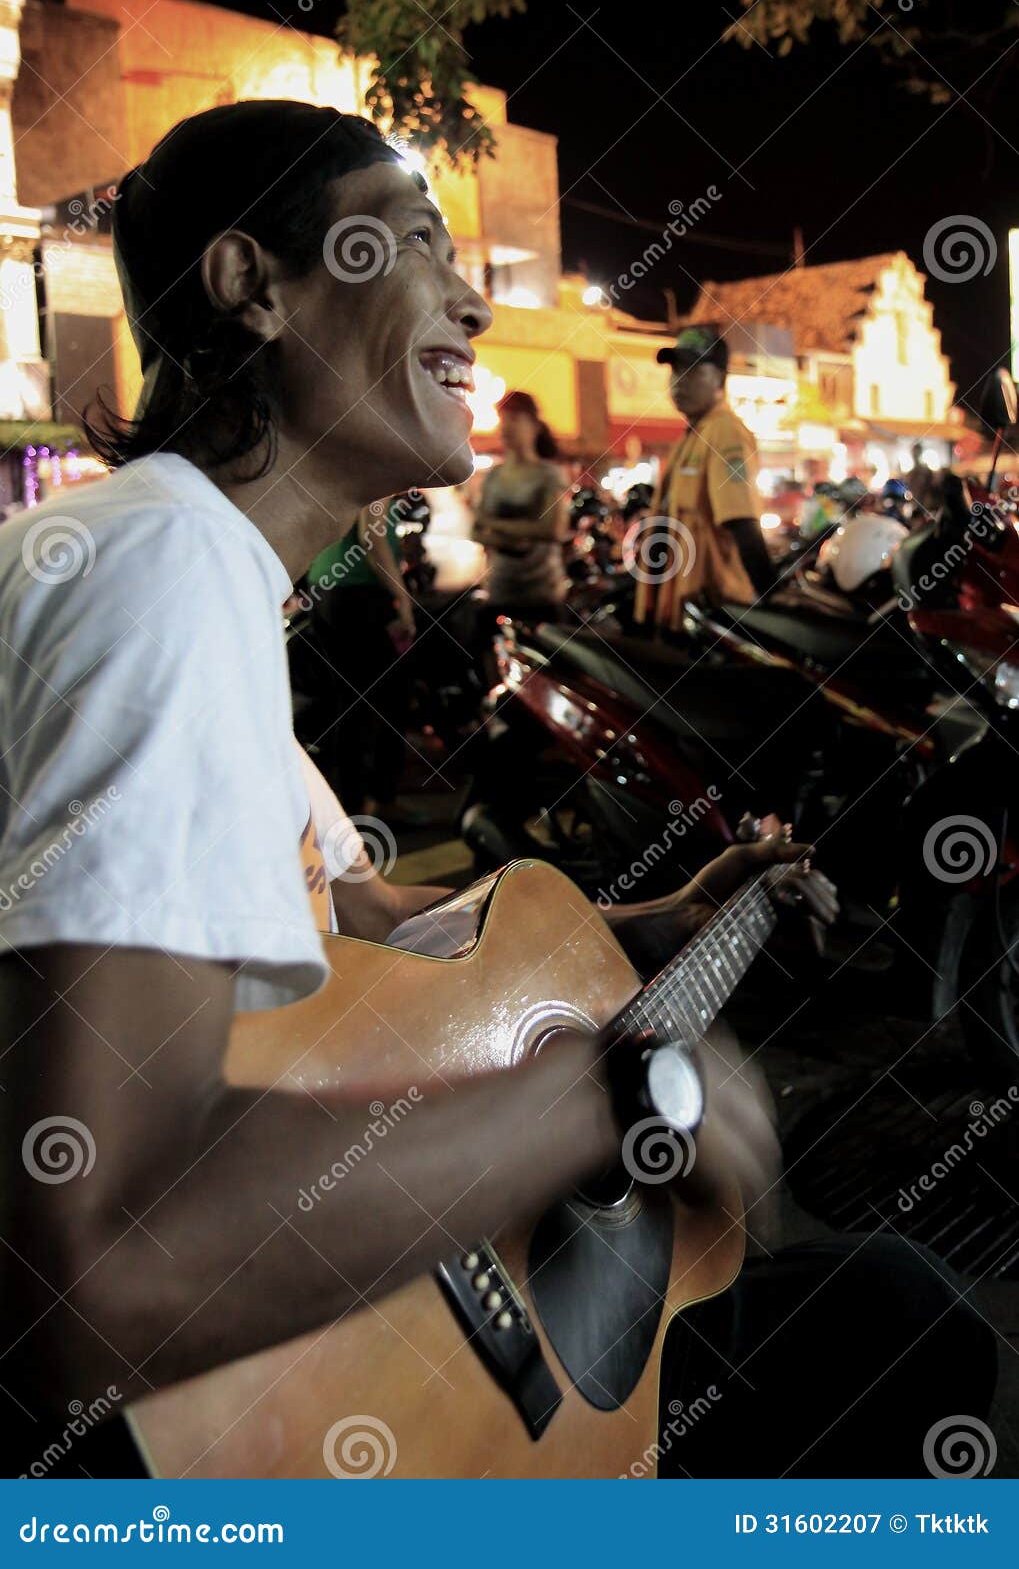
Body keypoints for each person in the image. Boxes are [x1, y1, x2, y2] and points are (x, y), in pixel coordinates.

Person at [0, 102, 994, 1479]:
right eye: (408, 241)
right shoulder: (157, 565)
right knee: (892, 1320)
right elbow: (102, 1259)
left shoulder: (189, 570)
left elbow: (341, 916)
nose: (469, 296)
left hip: (365, 1310)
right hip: (206, 1426)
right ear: (253, 286)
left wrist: (652, 925)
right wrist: (618, 1097)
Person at [633, 326, 777, 635]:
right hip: (680, 612)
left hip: (711, 614)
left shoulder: (725, 433)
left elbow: (742, 521)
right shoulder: (694, 435)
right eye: (675, 371)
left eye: (692, 370)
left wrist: (772, 598)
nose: (678, 381)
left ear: (720, 378)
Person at [304, 496, 418, 823]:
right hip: (360, 595)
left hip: (326, 588)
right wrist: (402, 596)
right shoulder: (382, 471)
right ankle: (380, 801)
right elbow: (372, 538)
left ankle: (348, 806)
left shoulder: (346, 470)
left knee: (349, 701)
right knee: (392, 700)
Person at [473, 389, 568, 620]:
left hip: (543, 595)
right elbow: (476, 531)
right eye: (503, 420)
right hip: (499, 591)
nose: (506, 427)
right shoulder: (493, 477)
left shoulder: (549, 475)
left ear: (534, 426)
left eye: (514, 419)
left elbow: (553, 530)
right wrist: (519, 534)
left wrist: (495, 526)